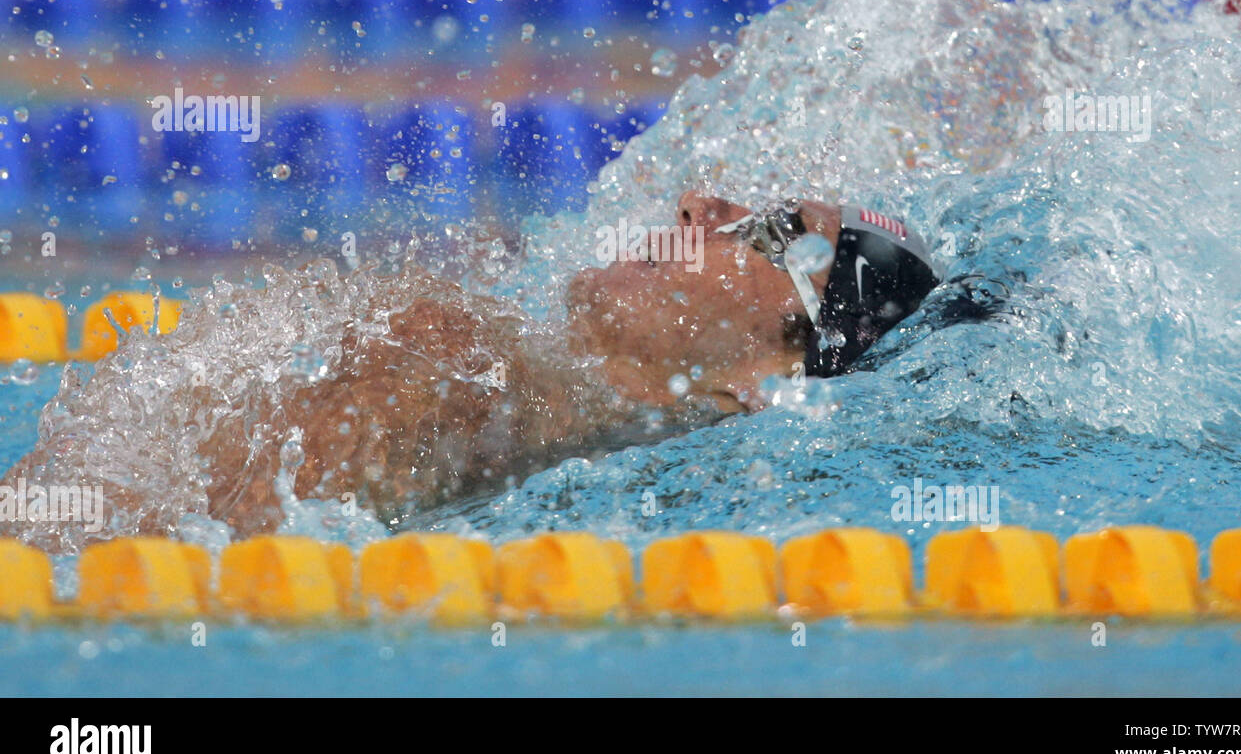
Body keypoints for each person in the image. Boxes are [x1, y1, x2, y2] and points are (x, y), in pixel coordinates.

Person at [2, 190, 939, 546]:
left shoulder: (455, 358)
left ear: (762, 379)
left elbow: (118, 553)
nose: (702, 202)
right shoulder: (527, 415)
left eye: (775, 231)